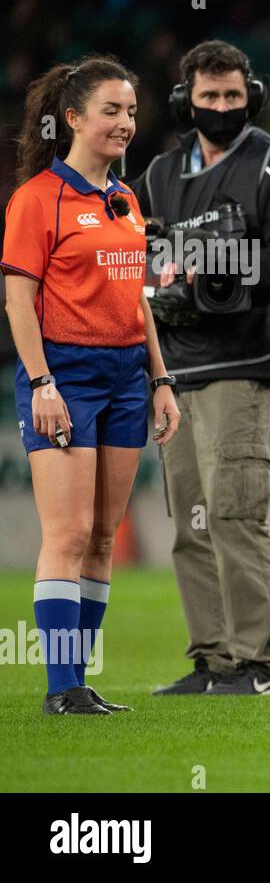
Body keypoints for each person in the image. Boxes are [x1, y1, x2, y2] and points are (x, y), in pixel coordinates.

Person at [134, 40, 270, 697]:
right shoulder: (159, 175)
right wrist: (162, 271)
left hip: (244, 363)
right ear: (185, 101)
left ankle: (257, 665)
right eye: (209, 96)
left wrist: (213, 262)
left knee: (233, 514)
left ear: (253, 97)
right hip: (176, 367)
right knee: (189, 522)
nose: (221, 107)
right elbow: (136, 256)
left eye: (232, 96)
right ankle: (212, 661)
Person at [3, 56, 181, 715]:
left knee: (105, 535)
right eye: (111, 110)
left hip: (127, 376)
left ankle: (78, 681)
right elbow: (18, 302)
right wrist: (42, 382)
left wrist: (160, 380)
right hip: (65, 374)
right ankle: (60, 687)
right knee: (70, 533)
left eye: (131, 111)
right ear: (73, 117)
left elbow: (137, 300)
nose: (125, 123)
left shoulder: (126, 201)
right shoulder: (36, 198)